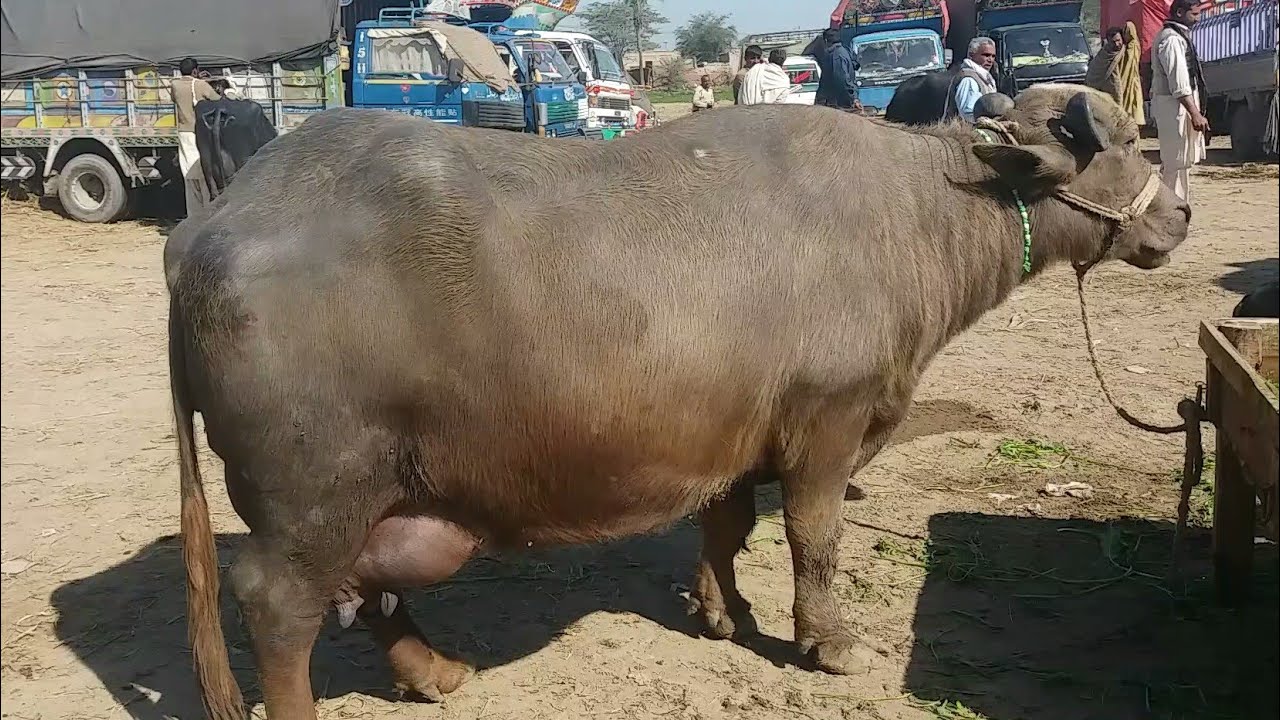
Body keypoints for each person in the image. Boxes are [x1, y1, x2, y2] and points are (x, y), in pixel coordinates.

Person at [1151, 0, 1209, 202]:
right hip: (1173, 107)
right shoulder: (1171, 40)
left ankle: (1176, 205)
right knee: (1176, 161)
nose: (1198, 17)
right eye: (1194, 14)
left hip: (1179, 105)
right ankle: (1170, 209)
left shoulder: (1179, 37)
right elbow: (1179, 83)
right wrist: (1194, 113)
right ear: (1179, 12)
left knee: (1180, 162)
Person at [171, 57, 221, 214]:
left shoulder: (175, 85)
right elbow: (217, 100)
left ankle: (194, 214)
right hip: (201, 134)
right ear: (195, 71)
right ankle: (208, 211)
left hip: (184, 133)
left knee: (190, 176)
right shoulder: (200, 85)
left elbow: (175, 98)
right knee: (205, 174)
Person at [944, 37, 998, 122]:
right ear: (971, 55)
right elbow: (968, 114)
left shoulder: (984, 77)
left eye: (993, 56)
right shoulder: (969, 79)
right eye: (986, 55)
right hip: (963, 132)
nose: (990, 60)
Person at [814, 28, 861, 110]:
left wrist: (853, 98)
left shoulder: (837, 56)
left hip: (840, 104)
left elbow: (842, 79)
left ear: (825, 41)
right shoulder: (841, 52)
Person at [1086, 26, 1127, 101]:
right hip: (1106, 95)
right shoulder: (1103, 55)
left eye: (1118, 40)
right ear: (1108, 41)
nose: (1117, 44)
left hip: (1126, 91)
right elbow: (1093, 73)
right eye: (1113, 42)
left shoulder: (1127, 53)